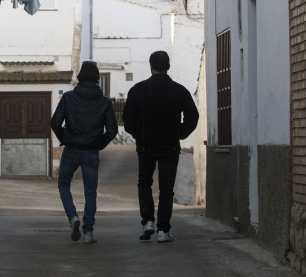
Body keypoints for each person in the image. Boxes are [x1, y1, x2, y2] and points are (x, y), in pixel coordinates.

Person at [122, 51, 199, 243]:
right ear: (168, 66)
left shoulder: (138, 90)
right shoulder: (179, 91)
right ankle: (163, 231)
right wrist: (178, 133)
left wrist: (140, 135)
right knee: (166, 189)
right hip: (170, 147)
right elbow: (192, 117)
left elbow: (128, 120)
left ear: (151, 66)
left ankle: (147, 221)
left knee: (144, 183)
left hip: (146, 147)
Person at [50, 61, 118, 244]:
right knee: (90, 192)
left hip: (71, 149)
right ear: (97, 78)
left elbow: (55, 122)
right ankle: (88, 232)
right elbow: (112, 131)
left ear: (80, 76)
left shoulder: (68, 97)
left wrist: (66, 138)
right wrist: (98, 144)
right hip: (91, 152)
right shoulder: (104, 102)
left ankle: (73, 217)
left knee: (64, 183)